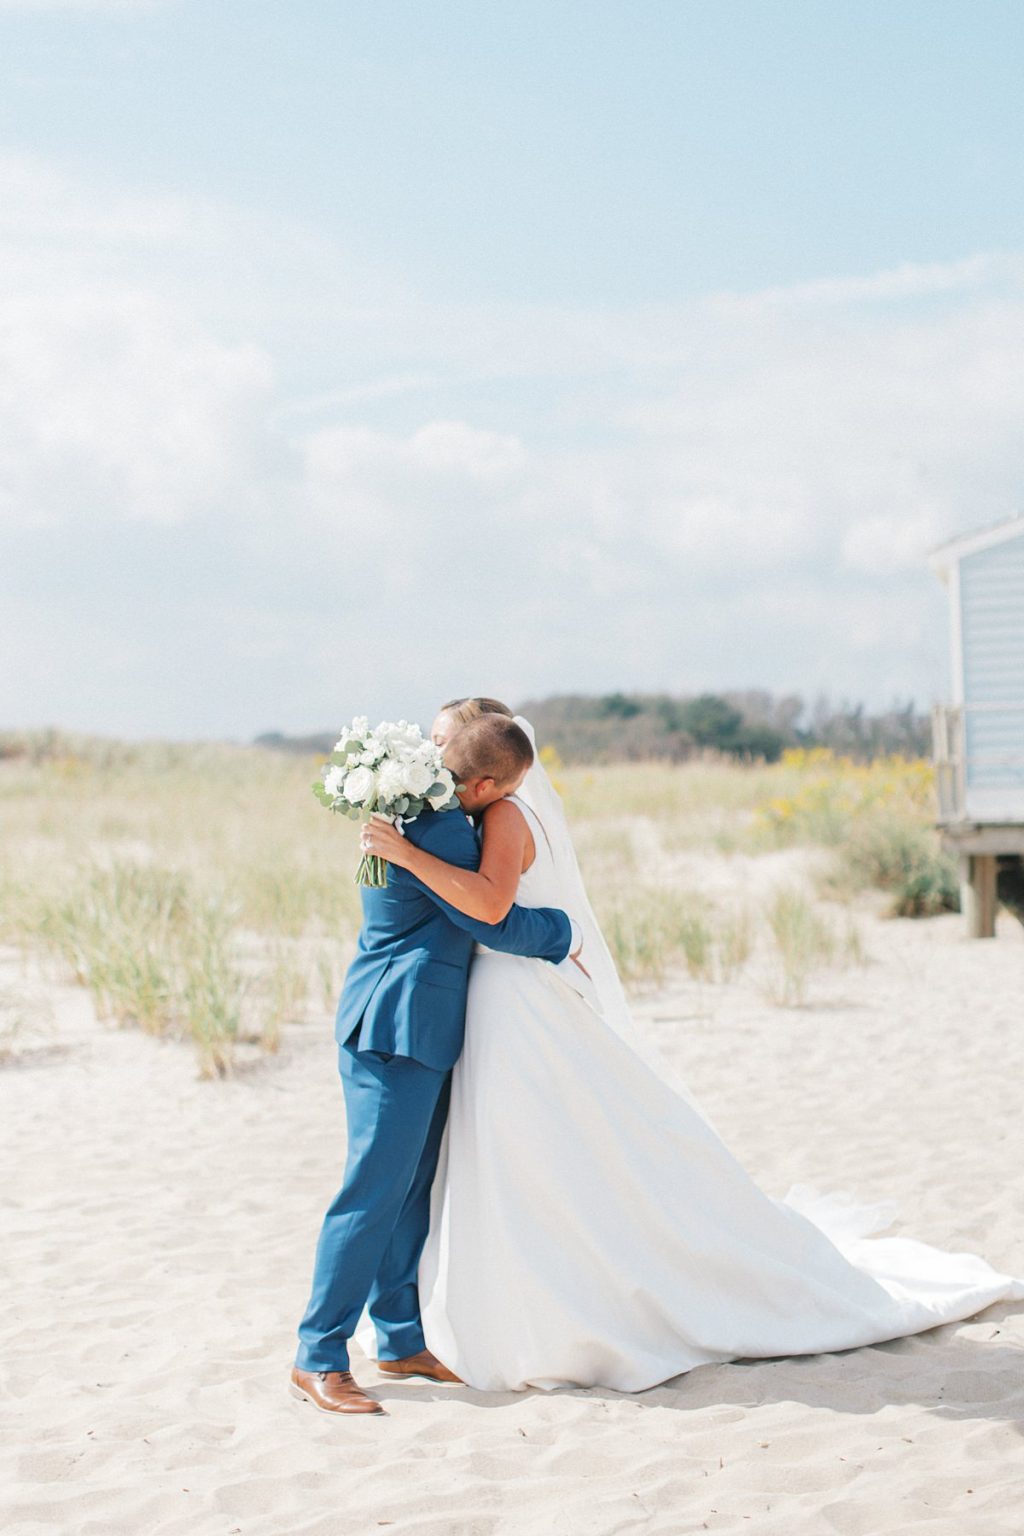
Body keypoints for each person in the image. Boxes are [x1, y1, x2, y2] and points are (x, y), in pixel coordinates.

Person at [359, 707, 1024, 1393]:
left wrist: (440, 873)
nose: (432, 752)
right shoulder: (481, 808)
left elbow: (493, 911)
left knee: (528, 1151)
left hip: (511, 1001)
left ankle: (550, 1307)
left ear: (485, 770)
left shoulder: (501, 816)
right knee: (527, 1151)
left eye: (442, 741)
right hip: (498, 998)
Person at [291, 715, 584, 1415]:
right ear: (483, 782)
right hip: (398, 1023)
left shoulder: (412, 810)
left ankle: (397, 1337)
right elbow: (491, 916)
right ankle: (318, 1354)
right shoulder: (445, 830)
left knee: (407, 1190)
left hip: (405, 1020)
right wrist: (562, 931)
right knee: (370, 1194)